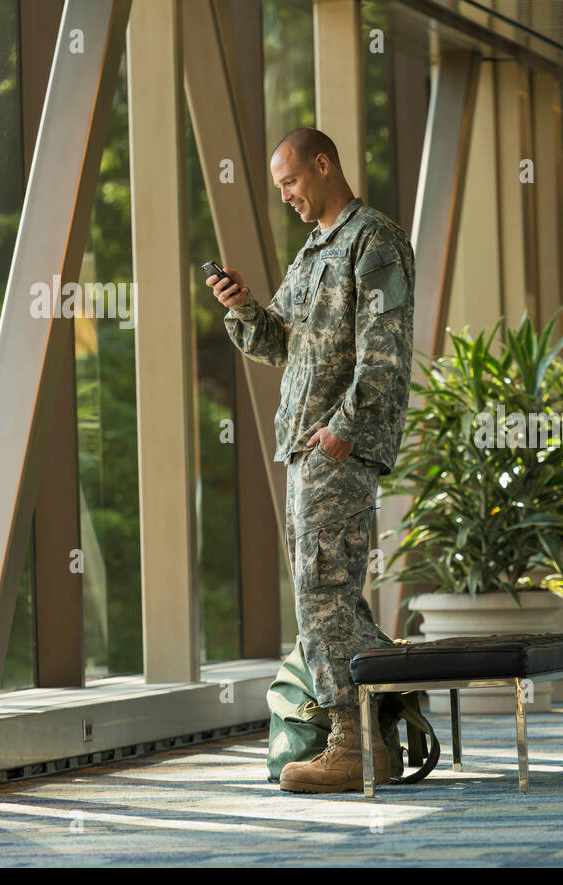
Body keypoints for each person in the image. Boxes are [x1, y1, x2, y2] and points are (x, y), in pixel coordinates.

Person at [207, 127, 415, 794]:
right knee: (325, 592)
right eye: (279, 188)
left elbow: (386, 344)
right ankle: (381, 708)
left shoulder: (372, 239)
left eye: (291, 181)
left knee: (323, 588)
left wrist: (343, 430)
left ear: (324, 165)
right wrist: (241, 307)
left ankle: (355, 742)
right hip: (305, 445)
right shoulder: (312, 252)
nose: (287, 196)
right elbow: (281, 344)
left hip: (337, 444)